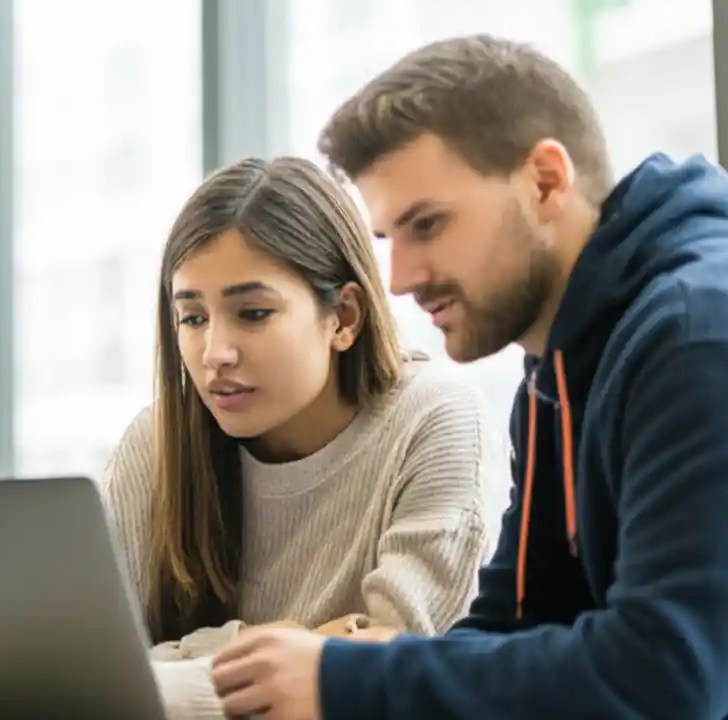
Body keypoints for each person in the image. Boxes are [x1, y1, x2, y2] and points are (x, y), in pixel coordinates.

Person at [210, 34, 728, 720]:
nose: (400, 280)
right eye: (392, 239)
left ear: (545, 182)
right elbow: (516, 621)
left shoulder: (693, 337)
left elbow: (669, 677)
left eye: (428, 224)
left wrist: (347, 683)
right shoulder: (555, 372)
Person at [102, 157, 506, 718]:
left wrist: (176, 672)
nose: (215, 352)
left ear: (343, 316)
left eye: (253, 313)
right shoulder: (156, 443)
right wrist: (286, 640)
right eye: (191, 319)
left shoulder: (433, 418)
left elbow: (380, 682)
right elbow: (88, 679)